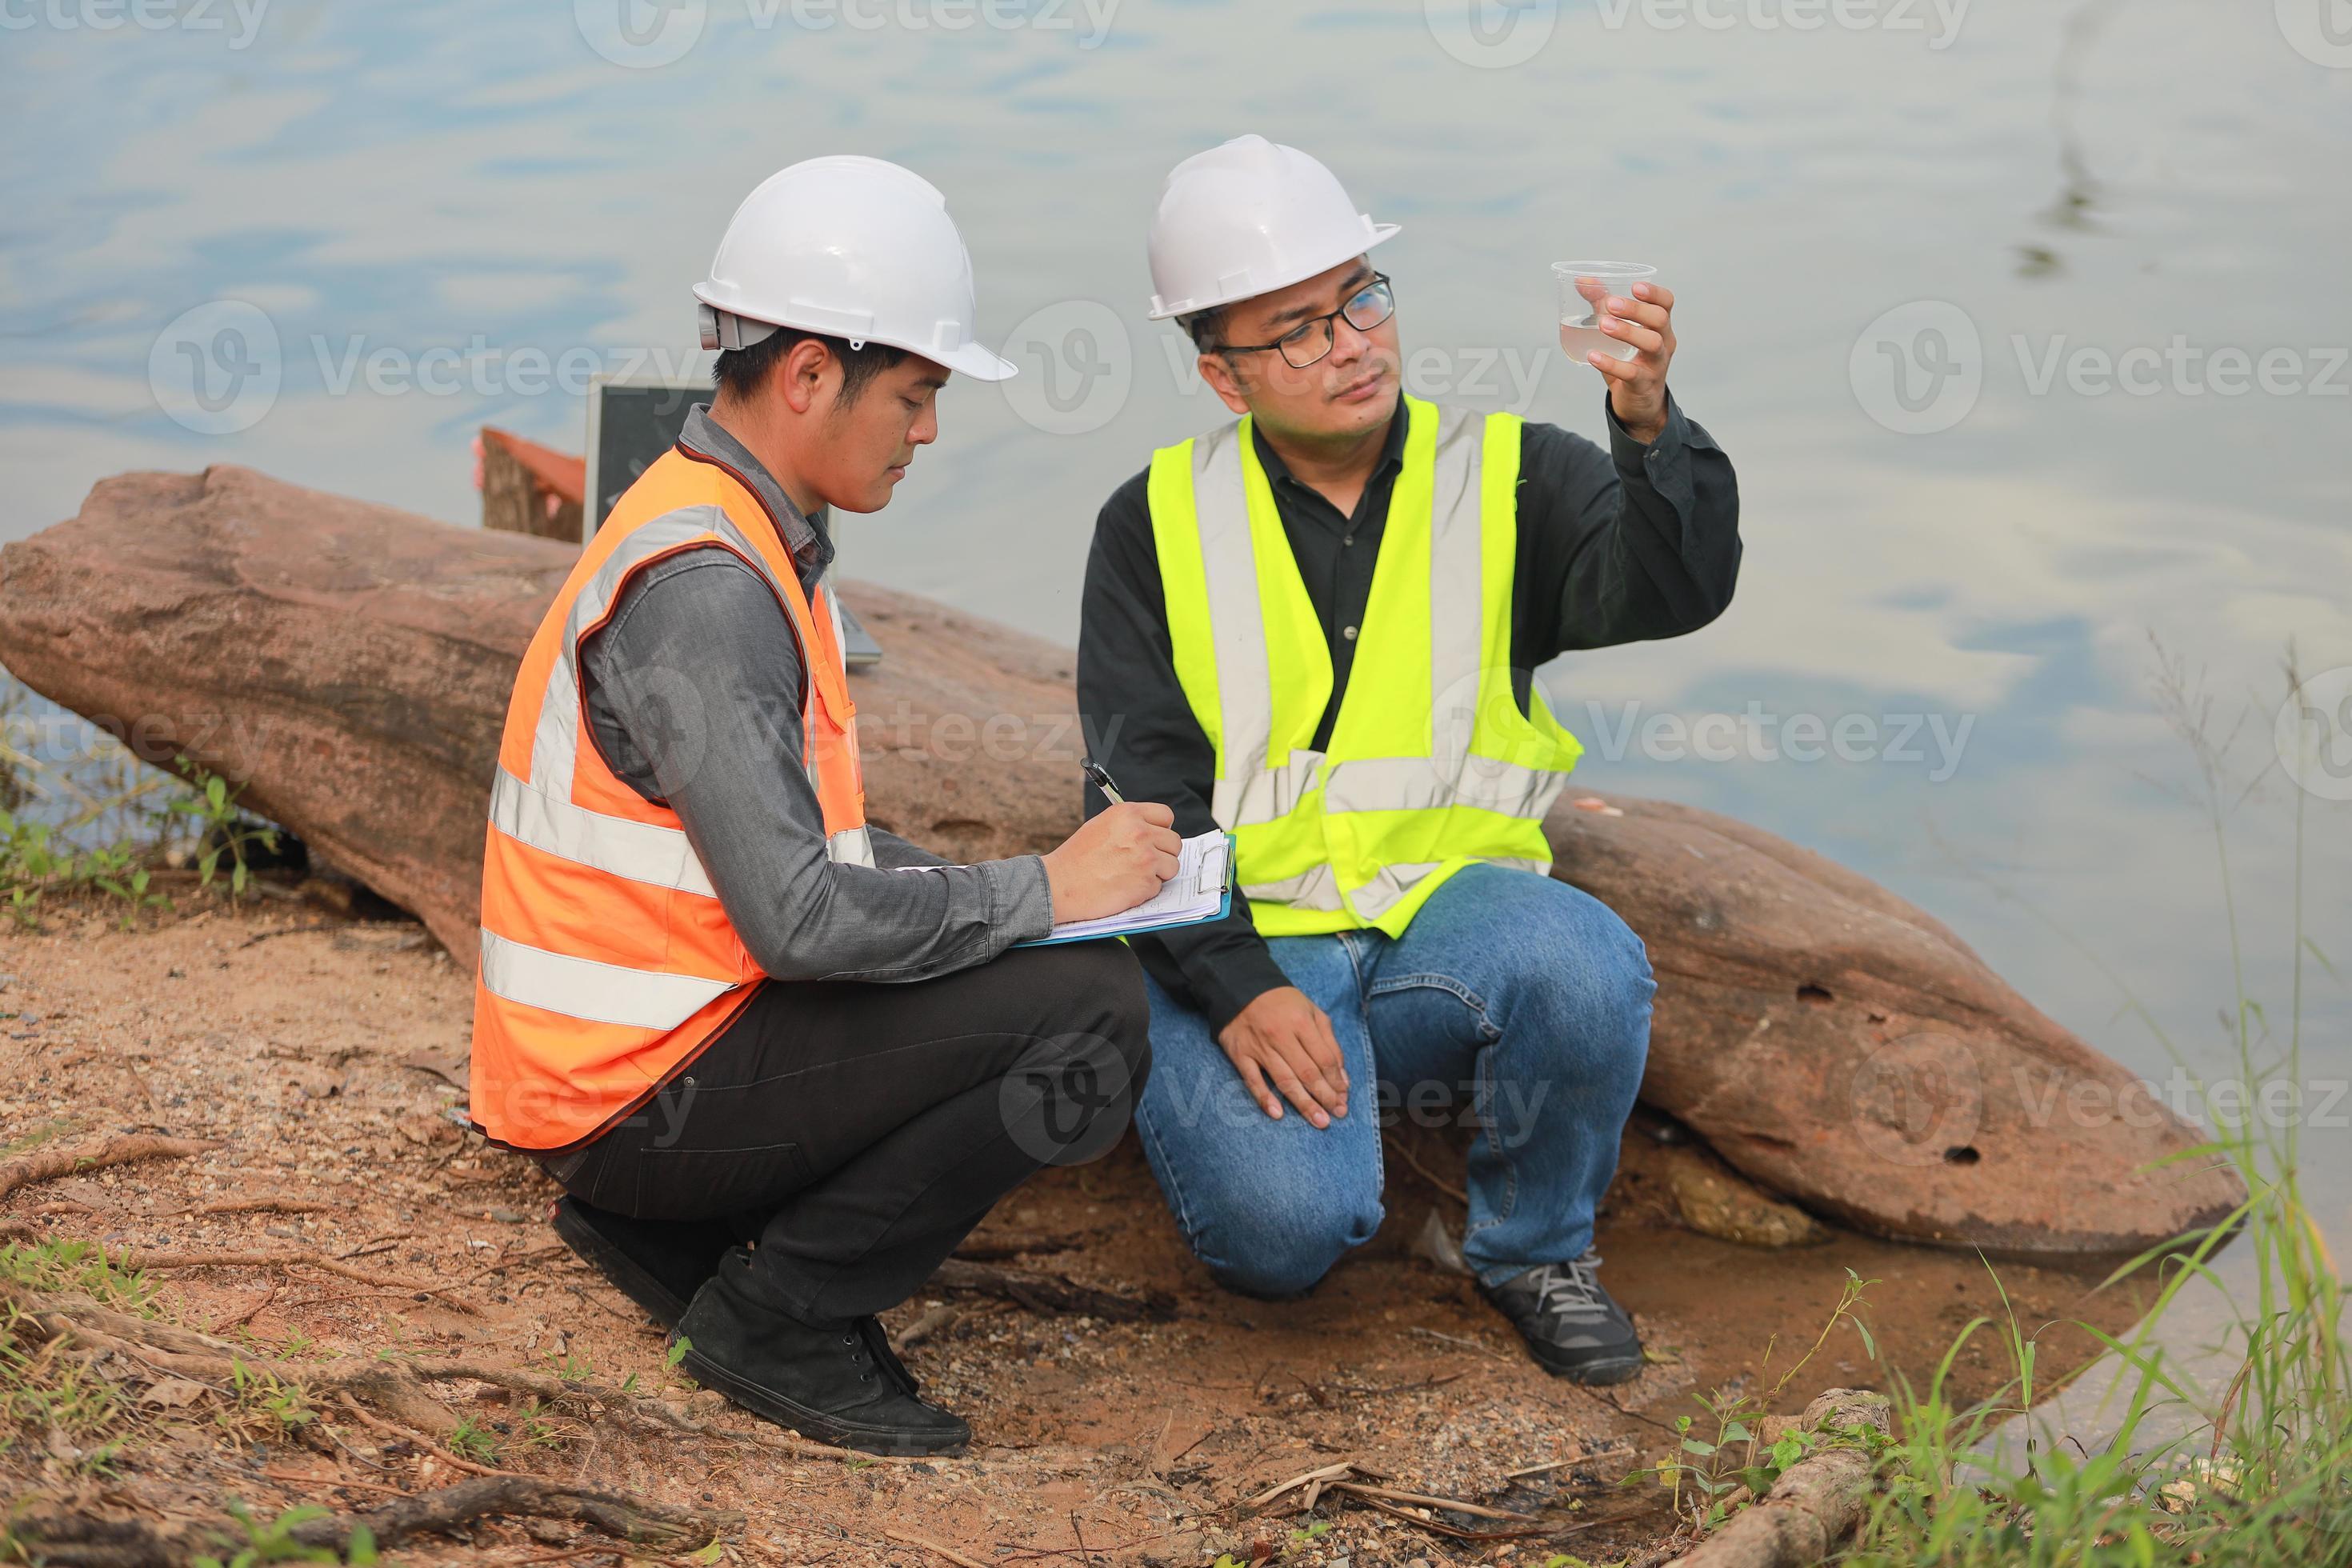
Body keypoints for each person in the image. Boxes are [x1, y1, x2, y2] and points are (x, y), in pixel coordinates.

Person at [468, 155, 1176, 1454]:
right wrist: (1043, 894)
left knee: (1054, 957)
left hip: (633, 1077)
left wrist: (1027, 895)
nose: (928, 430)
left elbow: (804, 857)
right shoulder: (712, 588)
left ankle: (670, 1230)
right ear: (806, 376)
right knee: (1094, 1015)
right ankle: (780, 1314)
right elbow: (798, 920)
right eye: (915, 394)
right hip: (629, 1100)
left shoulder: (731, 526)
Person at [1077, 135, 1742, 1384]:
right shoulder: (1151, 522)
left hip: (1442, 934)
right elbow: (1140, 794)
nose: (1351, 342)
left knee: (1585, 960)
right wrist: (1237, 989)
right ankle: (1251, 1107)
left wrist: (1647, 423)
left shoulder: (1513, 479)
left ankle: (1534, 1250)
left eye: (1360, 299)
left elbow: (1677, 588)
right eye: (1297, 329)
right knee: (1281, 1237)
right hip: (1249, 942)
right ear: (1224, 377)